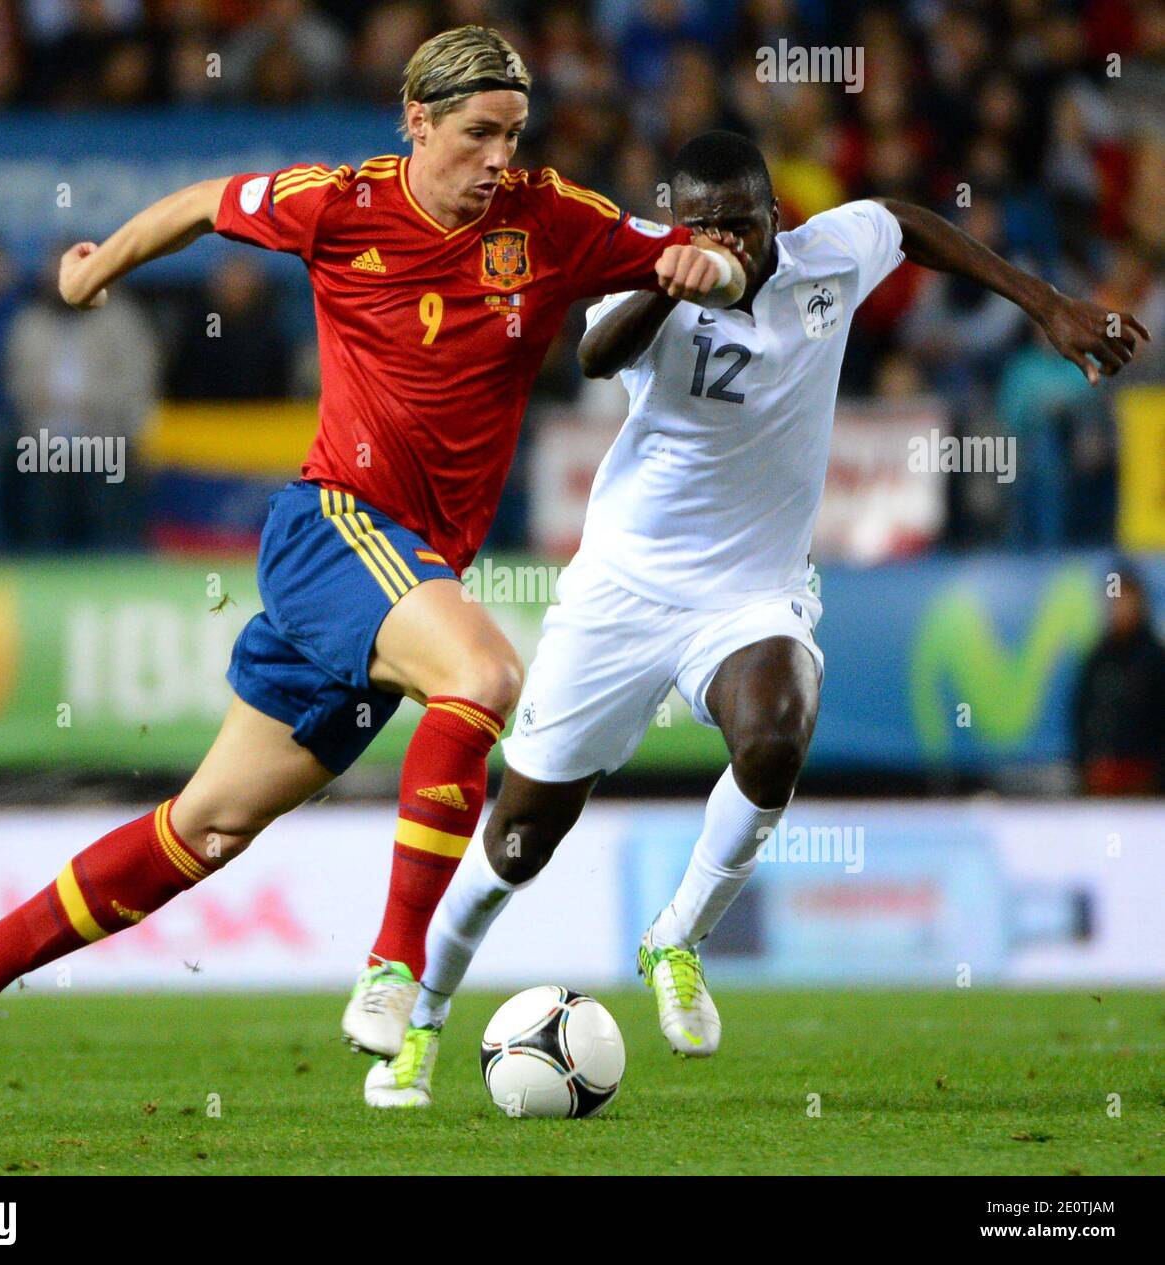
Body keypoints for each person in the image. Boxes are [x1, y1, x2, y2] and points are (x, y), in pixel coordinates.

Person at [0, 25, 737, 1110]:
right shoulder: (338, 204)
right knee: (482, 677)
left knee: (206, 825)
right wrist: (95, 267)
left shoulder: (552, 220)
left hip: (405, 573)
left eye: (513, 134)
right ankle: (393, 969)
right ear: (417, 121)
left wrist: (703, 263)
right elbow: (206, 199)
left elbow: (706, 253)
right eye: (477, 133)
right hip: (331, 524)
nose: (497, 157)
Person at [399, 129, 1152, 1106]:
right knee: (518, 841)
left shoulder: (824, 257)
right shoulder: (642, 272)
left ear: (775, 220)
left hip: (751, 592)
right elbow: (590, 354)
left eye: (740, 223)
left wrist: (1048, 305)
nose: (723, 239)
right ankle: (420, 1008)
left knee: (776, 729)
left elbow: (910, 226)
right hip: (619, 593)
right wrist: (668, 279)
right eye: (702, 221)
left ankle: (674, 937)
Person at [1072, 565, 1165, 795]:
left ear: (1140, 604)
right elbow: (1081, 714)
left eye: (1127, 601)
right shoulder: (1098, 658)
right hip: (1101, 776)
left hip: (1145, 778)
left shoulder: (1154, 659)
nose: (1121, 609)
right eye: (1116, 602)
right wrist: (1087, 762)